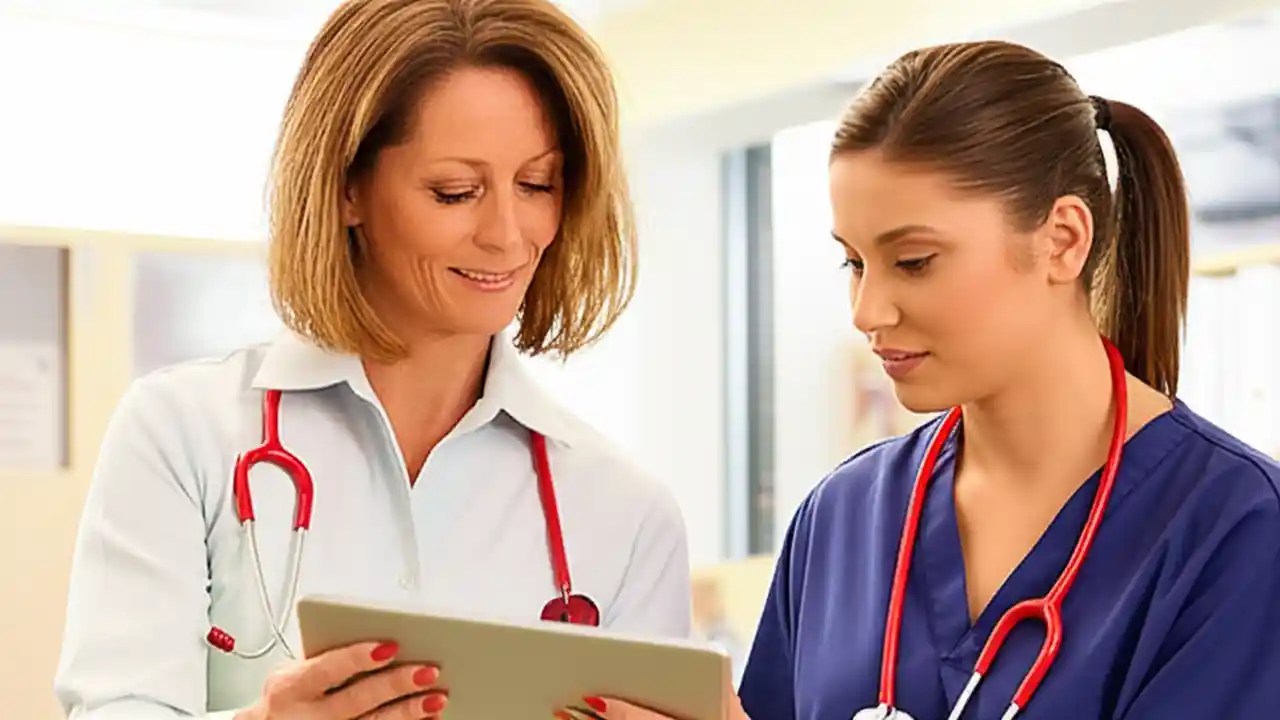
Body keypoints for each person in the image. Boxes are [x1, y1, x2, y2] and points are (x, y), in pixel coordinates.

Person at [569, 40, 1280, 720]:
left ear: (1063, 240)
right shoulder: (841, 518)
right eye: (853, 262)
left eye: (913, 262)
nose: (866, 311)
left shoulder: (1237, 532)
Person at [53, 1, 692, 718]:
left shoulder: (626, 512)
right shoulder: (182, 434)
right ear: (349, 186)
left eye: (537, 185)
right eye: (456, 191)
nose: (508, 236)